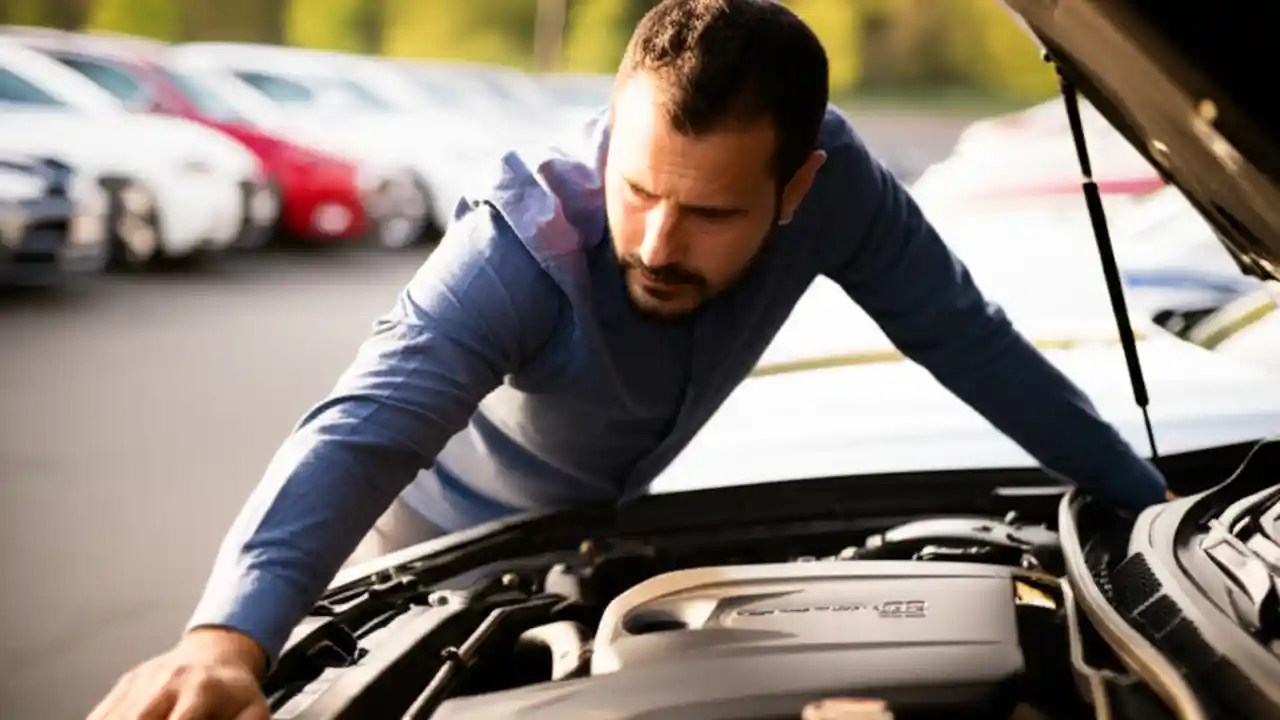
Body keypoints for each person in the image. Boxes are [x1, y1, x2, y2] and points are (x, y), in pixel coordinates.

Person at [89, 1, 1172, 717]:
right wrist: (226, 639)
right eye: (638, 189)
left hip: (597, 530)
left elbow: (965, 340)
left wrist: (1146, 502)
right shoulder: (523, 242)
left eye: (706, 211)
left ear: (796, 189)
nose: (654, 244)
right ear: (611, 129)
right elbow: (362, 425)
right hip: (425, 555)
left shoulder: (842, 195)